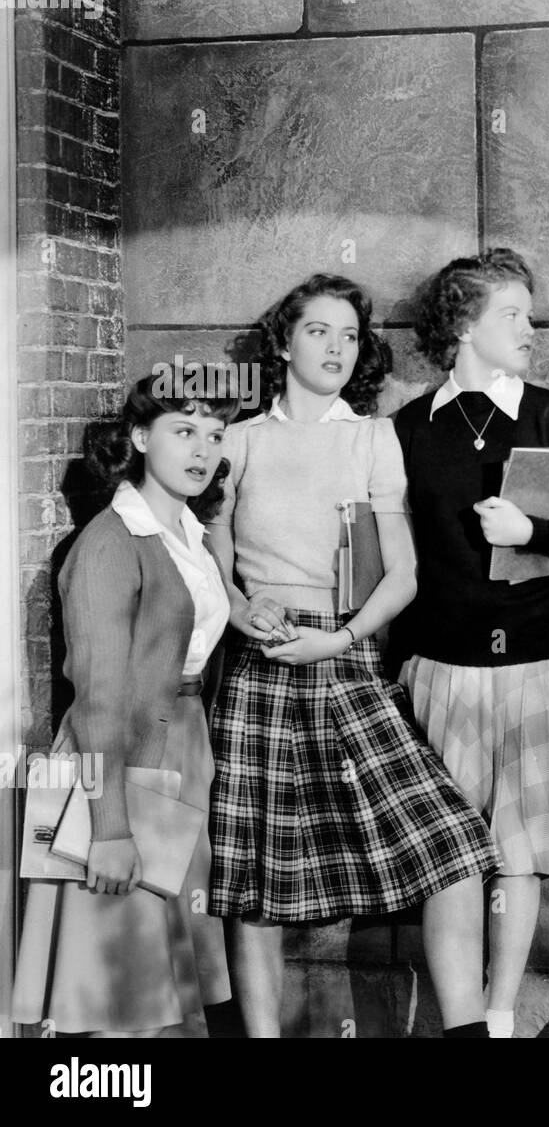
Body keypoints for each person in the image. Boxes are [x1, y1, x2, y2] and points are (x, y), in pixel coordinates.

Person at [204, 273, 498, 1036]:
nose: (336, 348)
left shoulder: (373, 437)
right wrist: (246, 616)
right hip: (260, 670)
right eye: (317, 332)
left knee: (455, 845)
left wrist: (336, 639)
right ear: (283, 342)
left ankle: (467, 1028)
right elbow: (212, 565)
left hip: (347, 657)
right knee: (256, 879)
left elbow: (402, 576)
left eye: (349, 335)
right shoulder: (237, 442)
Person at [392, 248, 549, 1037]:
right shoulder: (409, 428)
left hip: (534, 661)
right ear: (462, 325)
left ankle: (497, 1016)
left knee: (517, 856)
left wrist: (536, 529)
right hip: (440, 669)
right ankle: (459, 1025)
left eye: (530, 313)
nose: (530, 328)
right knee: (447, 863)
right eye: (511, 315)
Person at [11, 371, 237, 1035]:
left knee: (180, 959)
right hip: (123, 768)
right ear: (141, 437)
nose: (201, 450)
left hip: (180, 751)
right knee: (125, 991)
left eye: (215, 435)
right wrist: (109, 830)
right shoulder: (110, 544)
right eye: (182, 430)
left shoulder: (187, 531)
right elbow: (99, 701)